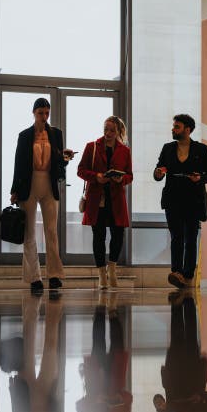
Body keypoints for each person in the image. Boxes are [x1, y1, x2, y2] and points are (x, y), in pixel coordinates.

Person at [10, 98, 74, 293]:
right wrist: (14, 190)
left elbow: (59, 163)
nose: (44, 116)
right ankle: (34, 278)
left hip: (49, 183)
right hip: (28, 185)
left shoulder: (56, 134)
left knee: (51, 231)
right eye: (40, 113)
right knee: (29, 232)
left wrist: (66, 158)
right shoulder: (24, 136)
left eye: (47, 113)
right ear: (34, 113)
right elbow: (18, 164)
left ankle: (54, 275)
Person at [6, 293, 70, 412]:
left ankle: (33, 300)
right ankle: (53, 301)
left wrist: (13, 389)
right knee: (51, 345)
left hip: (27, 392)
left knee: (29, 341)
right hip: (47, 393)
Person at [153, 114, 207, 288]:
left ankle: (188, 275)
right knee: (176, 237)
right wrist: (158, 173)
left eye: (177, 126)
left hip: (193, 200)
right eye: (174, 126)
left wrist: (199, 178)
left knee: (190, 238)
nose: (173, 129)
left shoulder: (202, 150)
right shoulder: (167, 148)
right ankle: (177, 273)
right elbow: (158, 172)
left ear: (187, 130)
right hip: (172, 199)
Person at [153, 291, 207, 412]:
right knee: (191, 335)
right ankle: (188, 300)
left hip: (173, 377)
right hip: (193, 375)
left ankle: (175, 304)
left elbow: (157, 400)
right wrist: (200, 396)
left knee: (176, 337)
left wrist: (159, 403)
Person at [78, 116, 133, 289]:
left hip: (116, 199)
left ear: (119, 132)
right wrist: (96, 177)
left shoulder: (124, 151)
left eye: (112, 130)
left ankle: (112, 269)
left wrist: (120, 179)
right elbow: (80, 170)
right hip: (97, 199)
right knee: (99, 236)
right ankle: (102, 274)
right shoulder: (92, 147)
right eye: (105, 129)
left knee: (118, 234)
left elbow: (130, 175)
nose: (108, 133)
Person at [76, 296, 133, 412]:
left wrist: (95, 399)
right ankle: (113, 310)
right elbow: (129, 398)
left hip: (96, 380)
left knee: (98, 342)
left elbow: (79, 405)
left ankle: (100, 308)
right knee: (118, 343)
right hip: (116, 378)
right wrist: (118, 398)